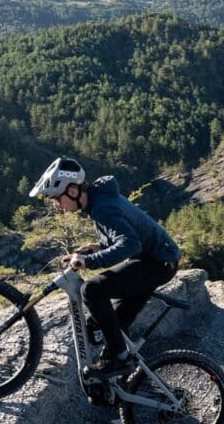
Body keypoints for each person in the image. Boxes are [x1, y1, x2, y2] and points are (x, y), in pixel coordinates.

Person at [29, 157, 182, 378]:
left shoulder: (101, 207)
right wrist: (95, 248)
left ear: (72, 191)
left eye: (56, 198)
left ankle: (119, 360)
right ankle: (123, 382)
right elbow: (124, 235)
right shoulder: (98, 202)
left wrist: (89, 261)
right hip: (158, 261)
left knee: (92, 290)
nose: (56, 205)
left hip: (156, 263)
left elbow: (130, 244)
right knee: (116, 324)